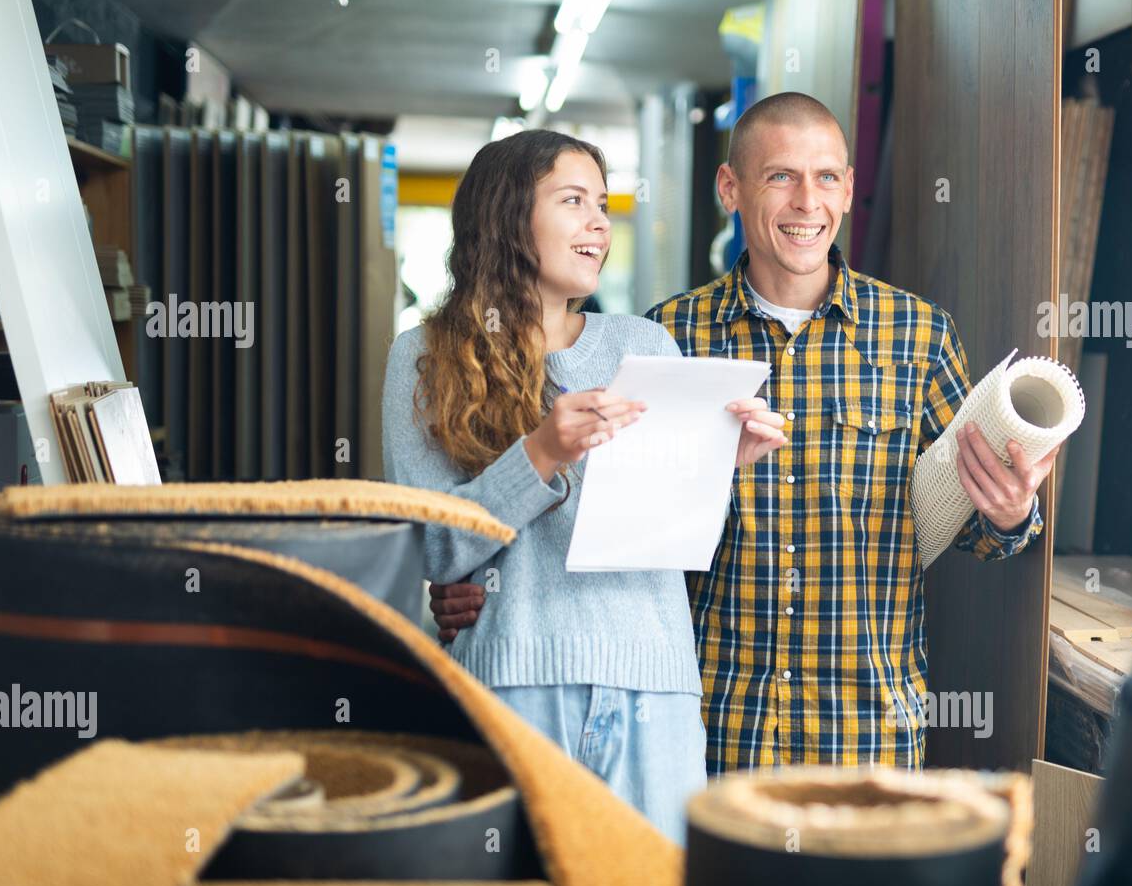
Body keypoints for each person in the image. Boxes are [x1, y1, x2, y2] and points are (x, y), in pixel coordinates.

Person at [432, 93, 1059, 777]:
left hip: (867, 726)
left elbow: (961, 519)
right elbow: (615, 520)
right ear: (730, 188)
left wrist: (1010, 512)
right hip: (711, 722)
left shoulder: (918, 335)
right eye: (780, 177)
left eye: (826, 178)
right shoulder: (668, 336)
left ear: (849, 190)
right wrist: (482, 577)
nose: (806, 203)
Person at [381, 129, 785, 842]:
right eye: (573, 201)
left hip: (654, 687)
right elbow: (431, 548)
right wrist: (539, 453)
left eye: (602, 203)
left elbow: (670, 534)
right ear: (508, 218)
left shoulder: (643, 346)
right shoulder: (421, 358)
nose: (600, 222)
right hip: (510, 684)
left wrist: (719, 463)